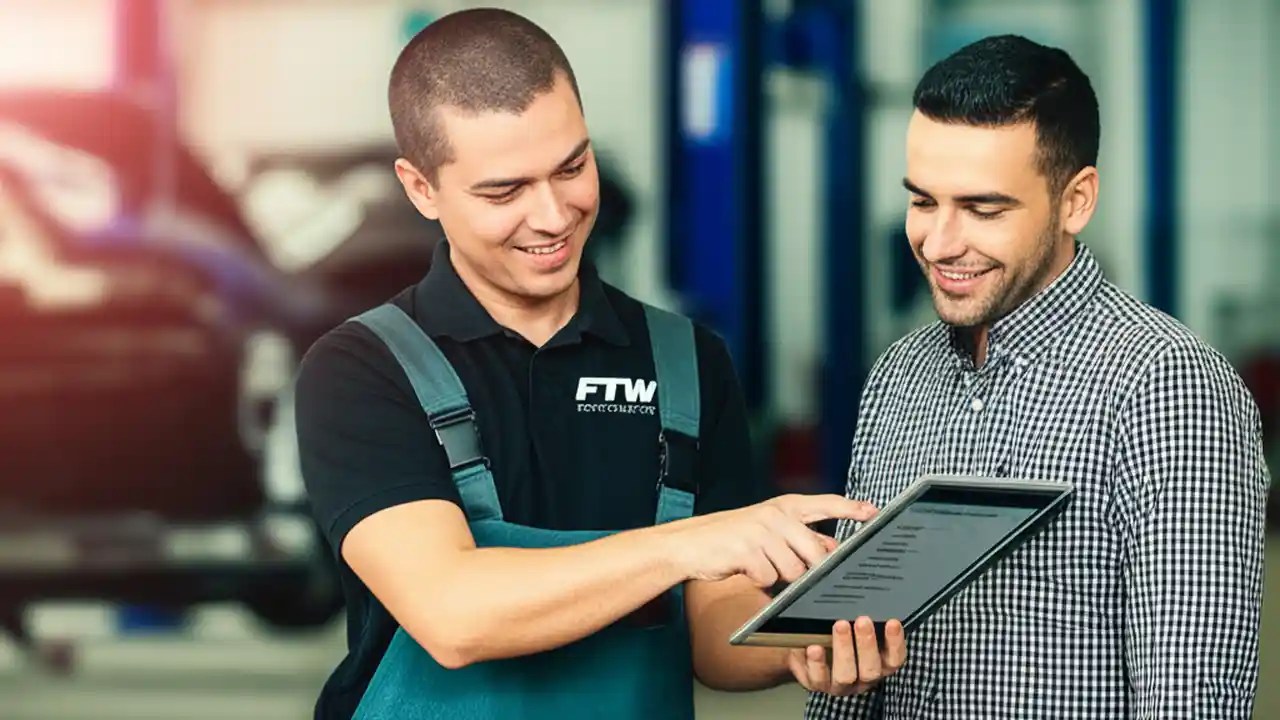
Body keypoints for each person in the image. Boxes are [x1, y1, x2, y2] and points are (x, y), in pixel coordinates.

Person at [295, 9, 905, 720]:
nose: (554, 216)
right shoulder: (362, 369)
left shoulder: (687, 360)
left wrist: (801, 647)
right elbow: (454, 614)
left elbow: (711, 629)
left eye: (572, 167)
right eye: (505, 191)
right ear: (421, 188)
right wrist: (684, 545)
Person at [809, 34, 1269, 720]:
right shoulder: (899, 375)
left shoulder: (1169, 388)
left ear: (1076, 200)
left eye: (983, 209)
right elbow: (851, 665)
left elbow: (1188, 700)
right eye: (923, 202)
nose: (939, 243)